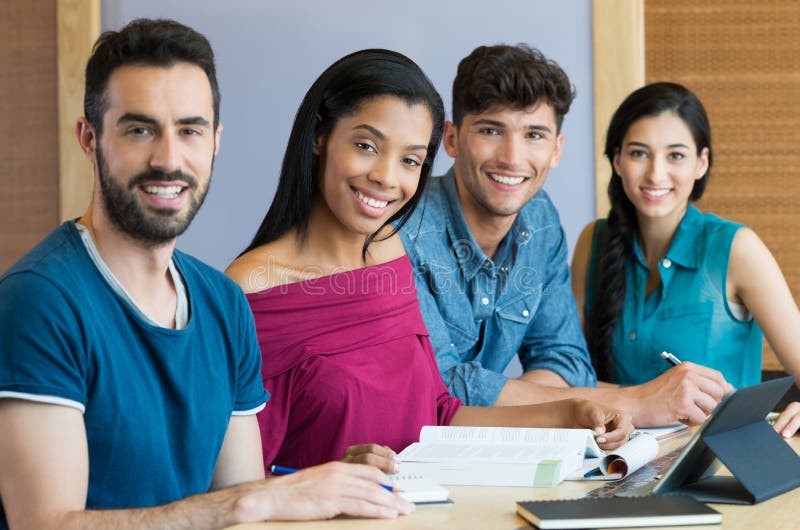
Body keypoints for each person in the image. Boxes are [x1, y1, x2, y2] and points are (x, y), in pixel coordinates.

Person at [0, 19, 416, 530]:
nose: (169, 159)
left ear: (215, 142)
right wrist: (248, 502)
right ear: (90, 139)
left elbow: (241, 499)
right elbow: (45, 527)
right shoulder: (39, 302)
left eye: (190, 130)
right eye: (139, 129)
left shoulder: (222, 302)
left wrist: (319, 483)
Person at [226, 48, 633, 473]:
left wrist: (569, 414)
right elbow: (235, 488)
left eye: (410, 160)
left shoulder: (390, 253)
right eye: (366, 145)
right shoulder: (252, 287)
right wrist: (325, 476)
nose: (387, 177)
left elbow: (439, 415)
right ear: (319, 137)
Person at [398, 44, 731, 428]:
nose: (512, 157)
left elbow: (564, 360)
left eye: (534, 135)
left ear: (557, 149)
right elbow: (441, 388)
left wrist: (543, 410)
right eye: (491, 130)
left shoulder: (539, 218)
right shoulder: (403, 230)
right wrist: (632, 402)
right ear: (452, 140)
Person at [571, 81, 800, 437]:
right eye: (638, 153)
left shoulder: (737, 248)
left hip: (717, 461)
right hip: (613, 459)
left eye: (675, 155)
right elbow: (569, 375)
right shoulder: (593, 242)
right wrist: (640, 400)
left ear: (700, 163)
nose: (655, 174)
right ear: (617, 160)